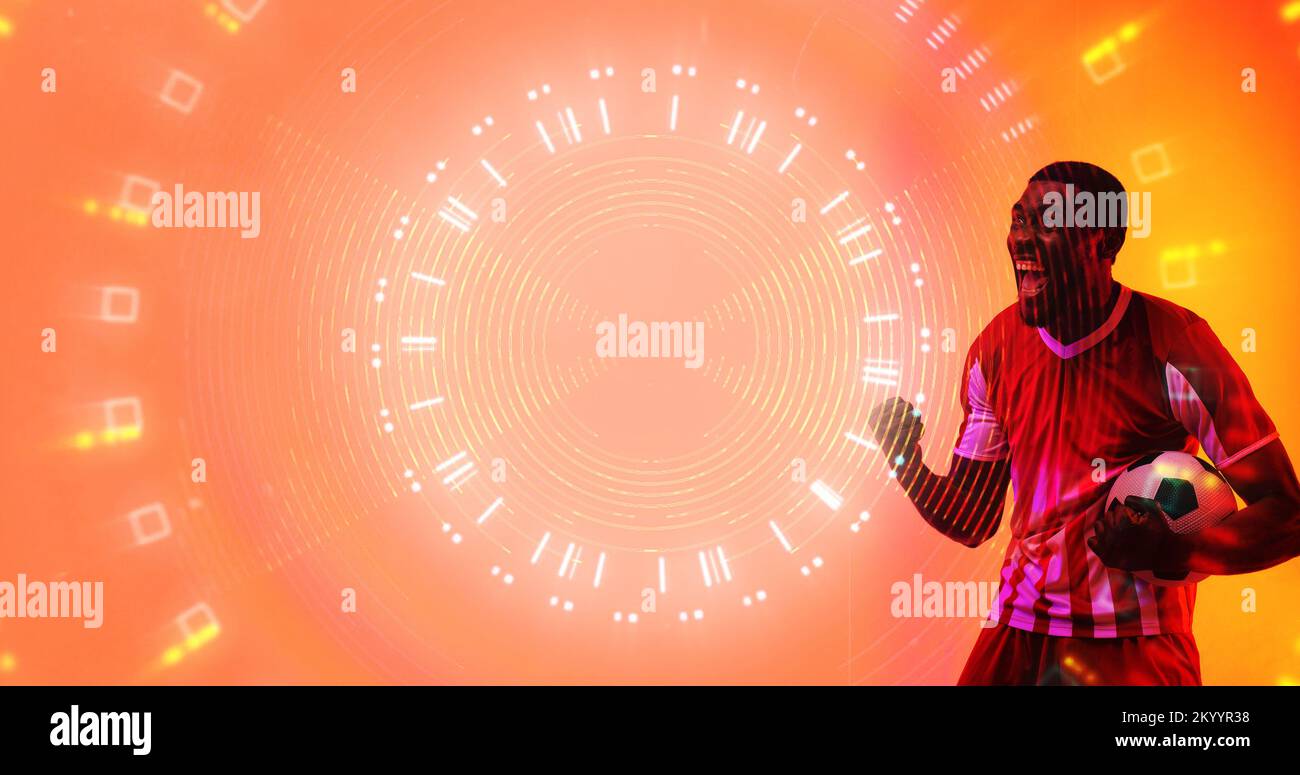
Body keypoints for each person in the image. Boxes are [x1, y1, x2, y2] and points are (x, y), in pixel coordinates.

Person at [868, 161, 1300, 685]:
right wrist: (904, 460)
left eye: (1047, 223)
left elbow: (1287, 515)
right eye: (1018, 220)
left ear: (1100, 242)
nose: (1023, 241)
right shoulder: (996, 348)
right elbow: (973, 520)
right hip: (1016, 633)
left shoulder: (1177, 346)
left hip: (1134, 648)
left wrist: (1176, 550)